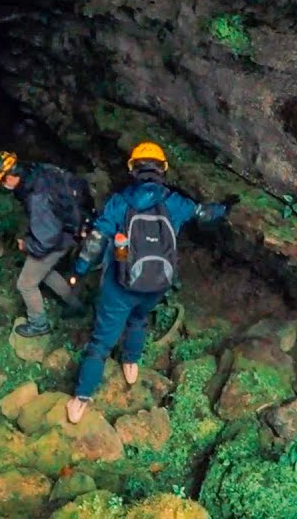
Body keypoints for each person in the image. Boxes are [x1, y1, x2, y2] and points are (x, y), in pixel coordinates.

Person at [64, 141, 231, 423]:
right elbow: (204, 214)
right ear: (162, 170)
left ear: (133, 170)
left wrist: (78, 270)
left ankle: (81, 399)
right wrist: (225, 208)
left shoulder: (119, 203)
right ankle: (131, 362)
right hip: (157, 283)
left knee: (101, 344)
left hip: (120, 285)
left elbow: (95, 241)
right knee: (139, 319)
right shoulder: (175, 202)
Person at [0, 151, 91, 337]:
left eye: (1, 182)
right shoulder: (37, 172)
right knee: (45, 272)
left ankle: (38, 324)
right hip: (71, 229)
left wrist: (27, 245)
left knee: (26, 284)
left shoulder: (37, 196)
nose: (3, 186)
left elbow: (46, 239)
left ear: (9, 177)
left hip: (59, 239)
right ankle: (76, 305)